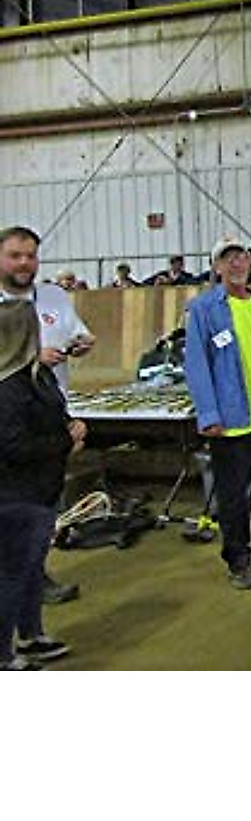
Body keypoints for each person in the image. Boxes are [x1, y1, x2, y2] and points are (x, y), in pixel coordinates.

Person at [183, 236, 251, 589]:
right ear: (217, 267)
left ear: (250, 263)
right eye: (227, 258)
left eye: (241, 257)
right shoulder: (204, 309)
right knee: (233, 499)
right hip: (231, 424)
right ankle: (238, 559)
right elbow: (197, 365)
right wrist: (208, 414)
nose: (236, 264)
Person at [0, 225, 95, 606]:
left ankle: (33, 578)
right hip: (10, 423)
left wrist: (80, 343)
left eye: (31, 256)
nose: (25, 263)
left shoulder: (53, 296)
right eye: (15, 256)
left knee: (44, 507)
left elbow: (76, 331)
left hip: (50, 414)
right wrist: (28, 356)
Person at [0, 300, 87, 669]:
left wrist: (70, 427)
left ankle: (31, 635)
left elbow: (52, 415)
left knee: (32, 568)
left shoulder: (40, 376)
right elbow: (13, 446)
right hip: (17, 494)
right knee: (13, 574)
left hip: (42, 488)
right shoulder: (8, 388)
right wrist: (65, 441)